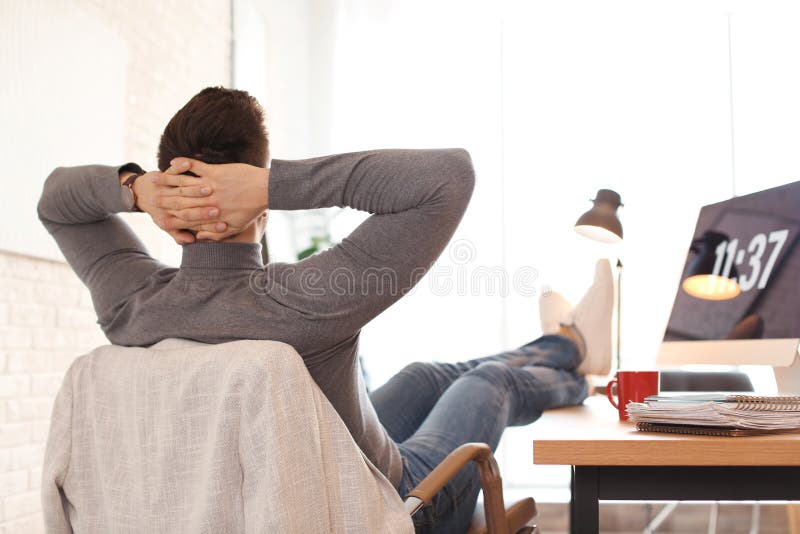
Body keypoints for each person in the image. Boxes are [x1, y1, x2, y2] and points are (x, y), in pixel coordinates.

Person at [38, 87, 612, 533]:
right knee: (488, 383)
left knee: (421, 376)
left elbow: (56, 202)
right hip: (395, 502)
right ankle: (577, 361)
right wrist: (271, 185)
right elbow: (449, 176)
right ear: (257, 210)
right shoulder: (301, 302)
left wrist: (137, 189)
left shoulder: (131, 303)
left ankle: (563, 344)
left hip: (329, 453)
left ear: (168, 211)